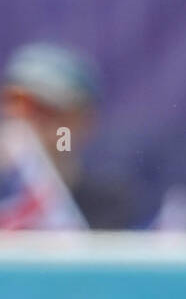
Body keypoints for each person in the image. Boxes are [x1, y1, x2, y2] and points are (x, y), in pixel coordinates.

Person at [1, 42, 137, 228]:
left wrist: (35, 169)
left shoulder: (106, 200)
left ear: (83, 119)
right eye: (17, 102)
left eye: (47, 108)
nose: (27, 117)